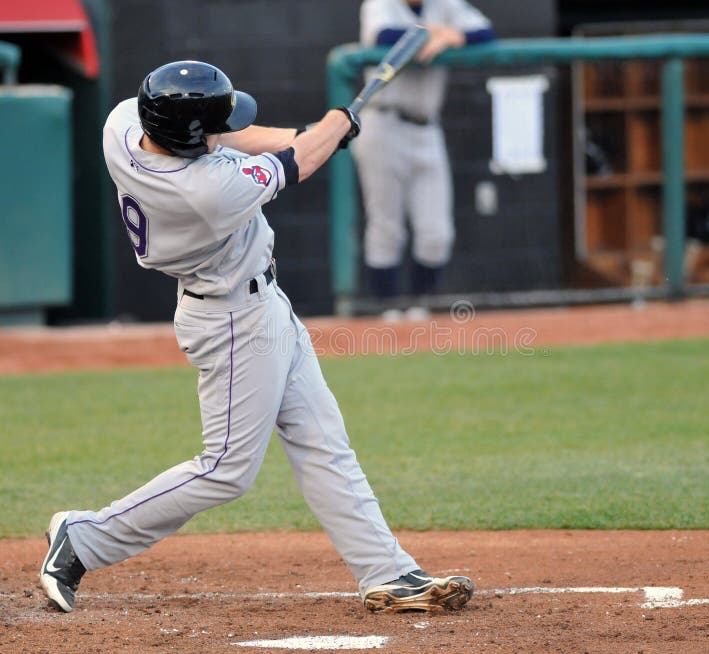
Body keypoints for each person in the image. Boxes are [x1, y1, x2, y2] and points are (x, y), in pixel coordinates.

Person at [39, 60, 474, 615]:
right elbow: (298, 165)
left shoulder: (124, 124)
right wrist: (332, 128)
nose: (223, 131)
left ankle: (387, 572)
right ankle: (85, 537)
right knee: (225, 470)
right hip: (230, 320)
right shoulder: (209, 190)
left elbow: (237, 135)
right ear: (191, 141)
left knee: (323, 441)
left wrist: (315, 132)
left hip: (260, 303)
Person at [352, 0, 495, 320]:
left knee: (437, 233)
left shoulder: (445, 4)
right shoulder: (380, 4)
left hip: (427, 126)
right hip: (383, 121)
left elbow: (486, 32)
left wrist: (452, 36)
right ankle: (386, 309)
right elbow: (384, 36)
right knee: (386, 226)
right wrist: (436, 33)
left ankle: (419, 305)